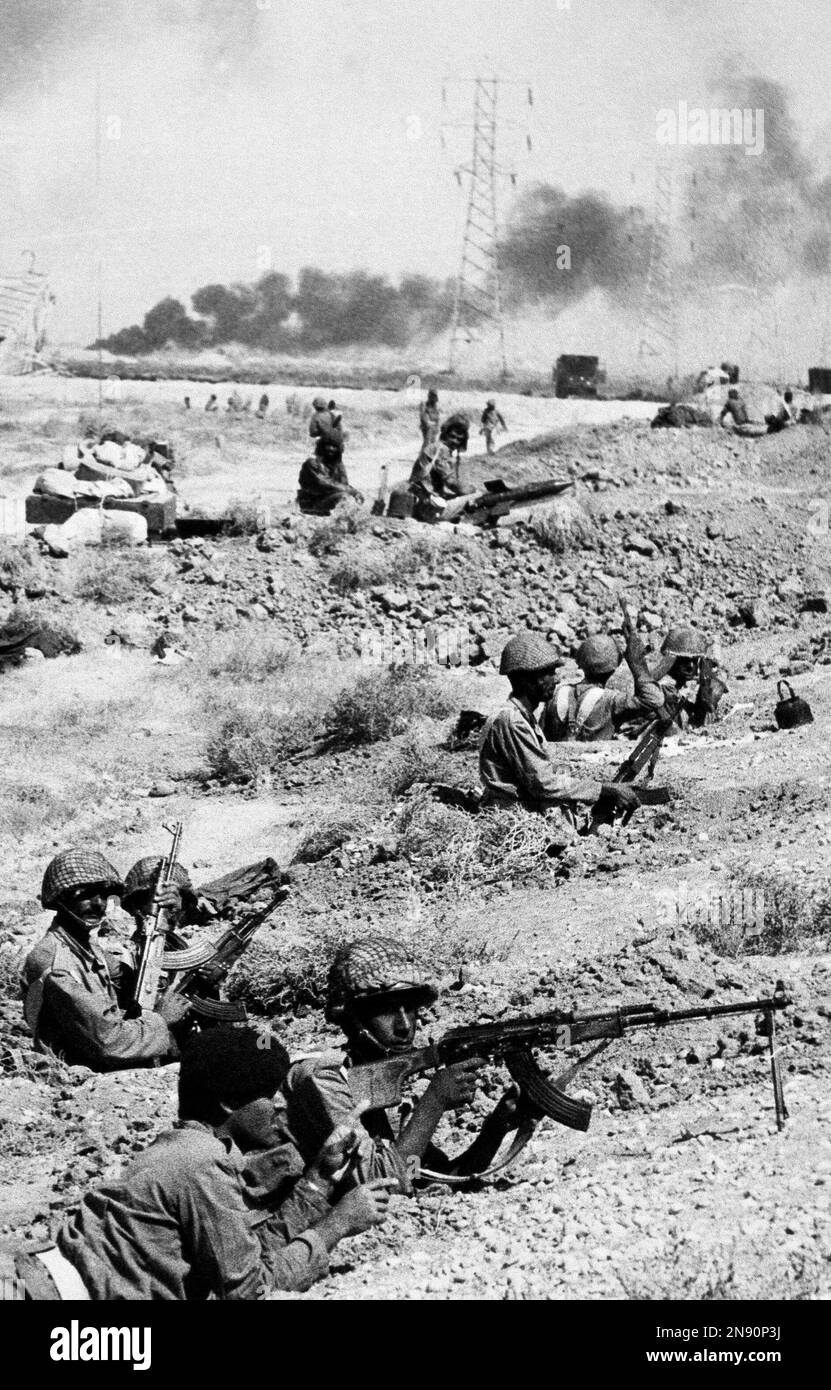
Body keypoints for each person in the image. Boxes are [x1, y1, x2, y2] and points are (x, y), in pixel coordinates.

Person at [12, 1028, 393, 1300]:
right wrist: (336, 1225)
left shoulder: (194, 1151)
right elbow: (249, 1291)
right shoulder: (200, 1162)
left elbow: (245, 1256)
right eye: (267, 1095)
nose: (281, 1106)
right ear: (228, 1104)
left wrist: (319, 1179)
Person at [284, 938, 524, 1193]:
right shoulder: (320, 1078)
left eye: (409, 1008)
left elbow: (426, 1179)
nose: (405, 1025)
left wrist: (497, 1127)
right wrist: (435, 1101)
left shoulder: (379, 1086)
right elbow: (381, 1186)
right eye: (386, 1009)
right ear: (352, 1017)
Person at [20, 849, 190, 1071]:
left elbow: (134, 982)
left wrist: (163, 917)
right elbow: (109, 1041)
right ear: (61, 898)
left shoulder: (85, 945)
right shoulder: (56, 964)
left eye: (104, 895)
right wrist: (161, 1019)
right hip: (83, 1074)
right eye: (86, 894)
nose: (99, 904)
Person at [479, 633, 641, 824]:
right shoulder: (512, 721)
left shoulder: (524, 718)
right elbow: (542, 783)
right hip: (511, 817)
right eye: (548, 673)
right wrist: (604, 790)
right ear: (526, 680)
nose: (556, 680)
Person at [543, 620, 664, 743]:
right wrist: (637, 663)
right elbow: (655, 699)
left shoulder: (555, 694)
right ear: (612, 670)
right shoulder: (611, 701)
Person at [648, 625, 727, 728]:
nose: (690, 666)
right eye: (684, 661)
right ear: (671, 661)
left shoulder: (679, 684)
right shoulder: (666, 686)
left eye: (694, 661)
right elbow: (688, 723)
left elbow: (707, 706)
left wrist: (708, 675)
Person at [297, 438, 364, 516]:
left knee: (352, 498)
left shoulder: (338, 465)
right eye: (328, 445)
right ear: (321, 447)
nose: (331, 449)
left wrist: (356, 494)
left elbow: (344, 484)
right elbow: (324, 483)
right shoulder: (312, 463)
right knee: (344, 496)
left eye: (334, 446)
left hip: (330, 500)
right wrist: (352, 491)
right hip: (313, 504)